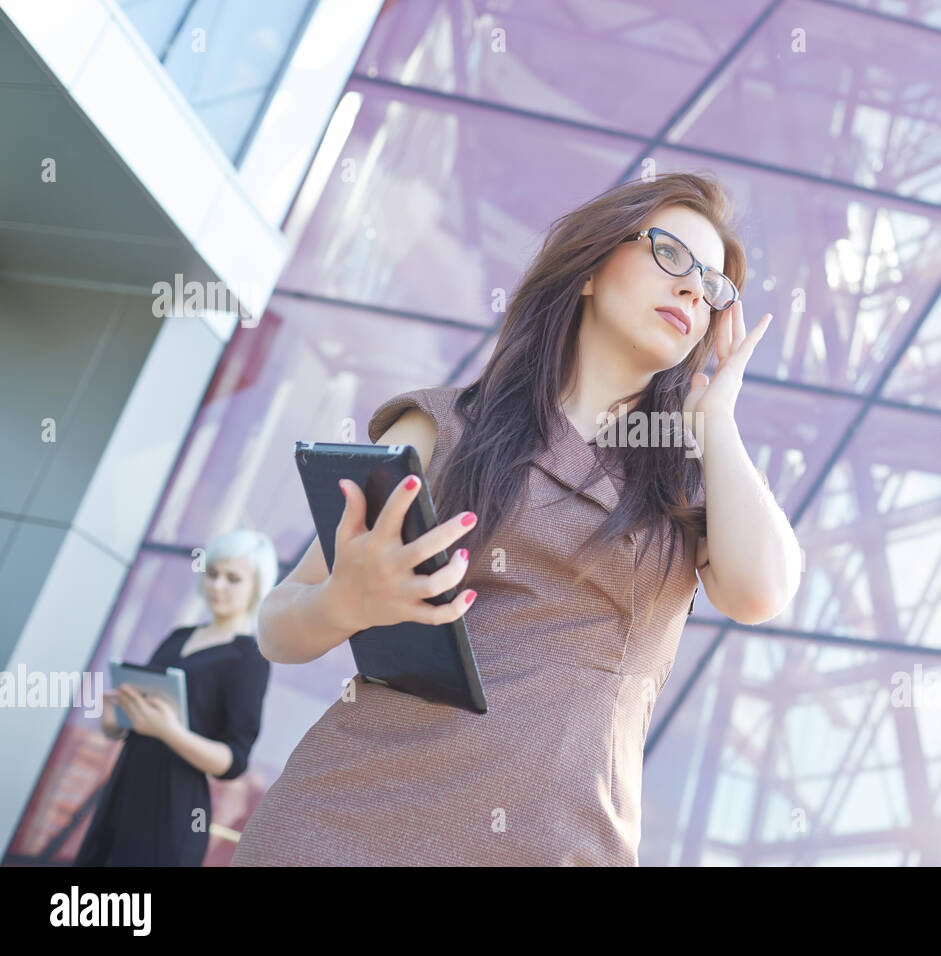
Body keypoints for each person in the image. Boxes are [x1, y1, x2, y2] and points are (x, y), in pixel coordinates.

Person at [231, 171, 802, 866]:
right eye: (671, 256)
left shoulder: (692, 475)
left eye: (713, 288)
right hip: (346, 823)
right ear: (591, 269)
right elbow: (278, 625)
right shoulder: (445, 426)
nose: (692, 289)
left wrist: (717, 420)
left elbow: (760, 593)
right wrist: (341, 603)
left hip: (557, 843)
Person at [76, 529, 275, 866]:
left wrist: (169, 731)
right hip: (126, 786)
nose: (217, 585)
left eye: (233, 578)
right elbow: (133, 726)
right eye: (212, 573)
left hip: (174, 803)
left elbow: (234, 761)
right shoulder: (178, 636)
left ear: (256, 587)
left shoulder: (249, 658)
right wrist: (114, 720)